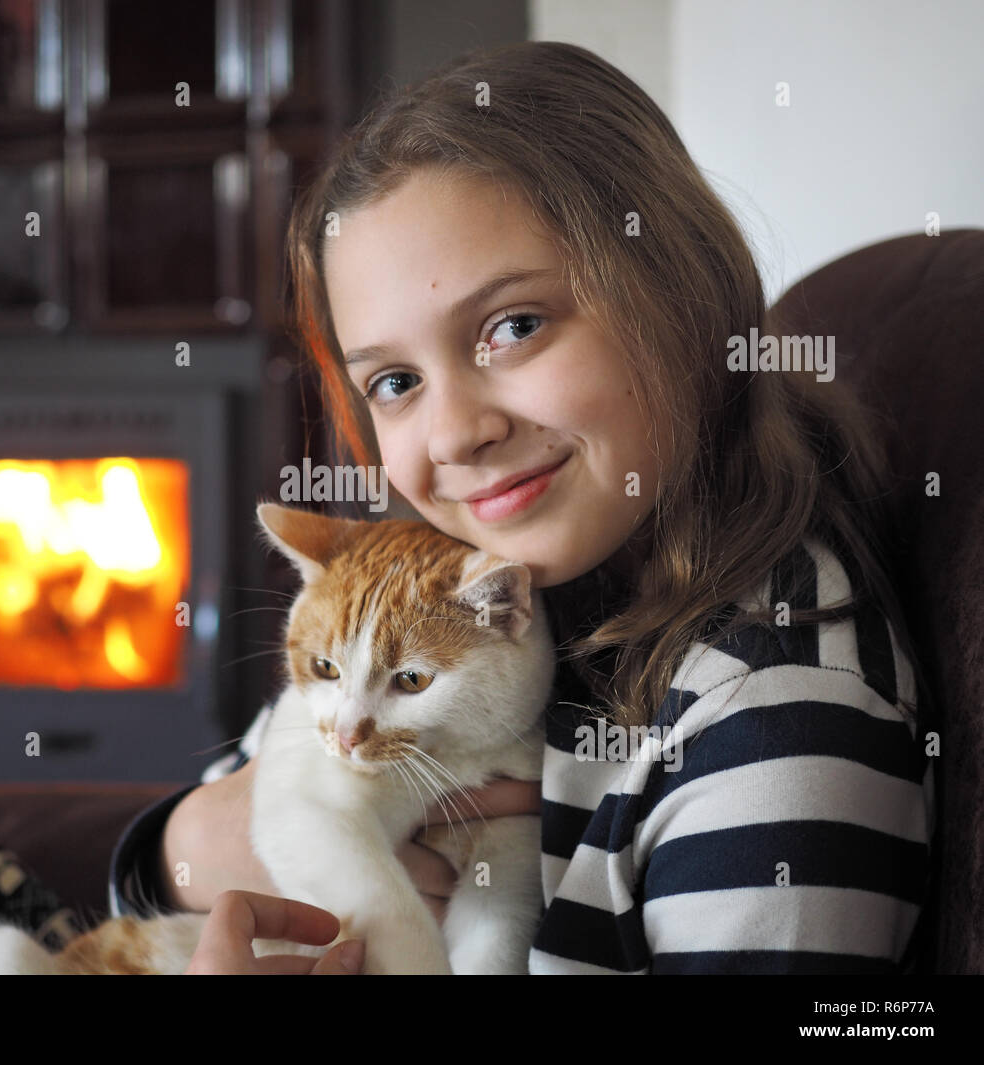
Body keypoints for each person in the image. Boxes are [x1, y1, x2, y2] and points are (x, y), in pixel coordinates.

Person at [109, 40, 936, 975]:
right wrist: (186, 843)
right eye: (394, 381)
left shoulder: (772, 725)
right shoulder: (502, 573)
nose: (457, 433)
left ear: (681, 293)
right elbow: (215, 842)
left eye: (514, 327)